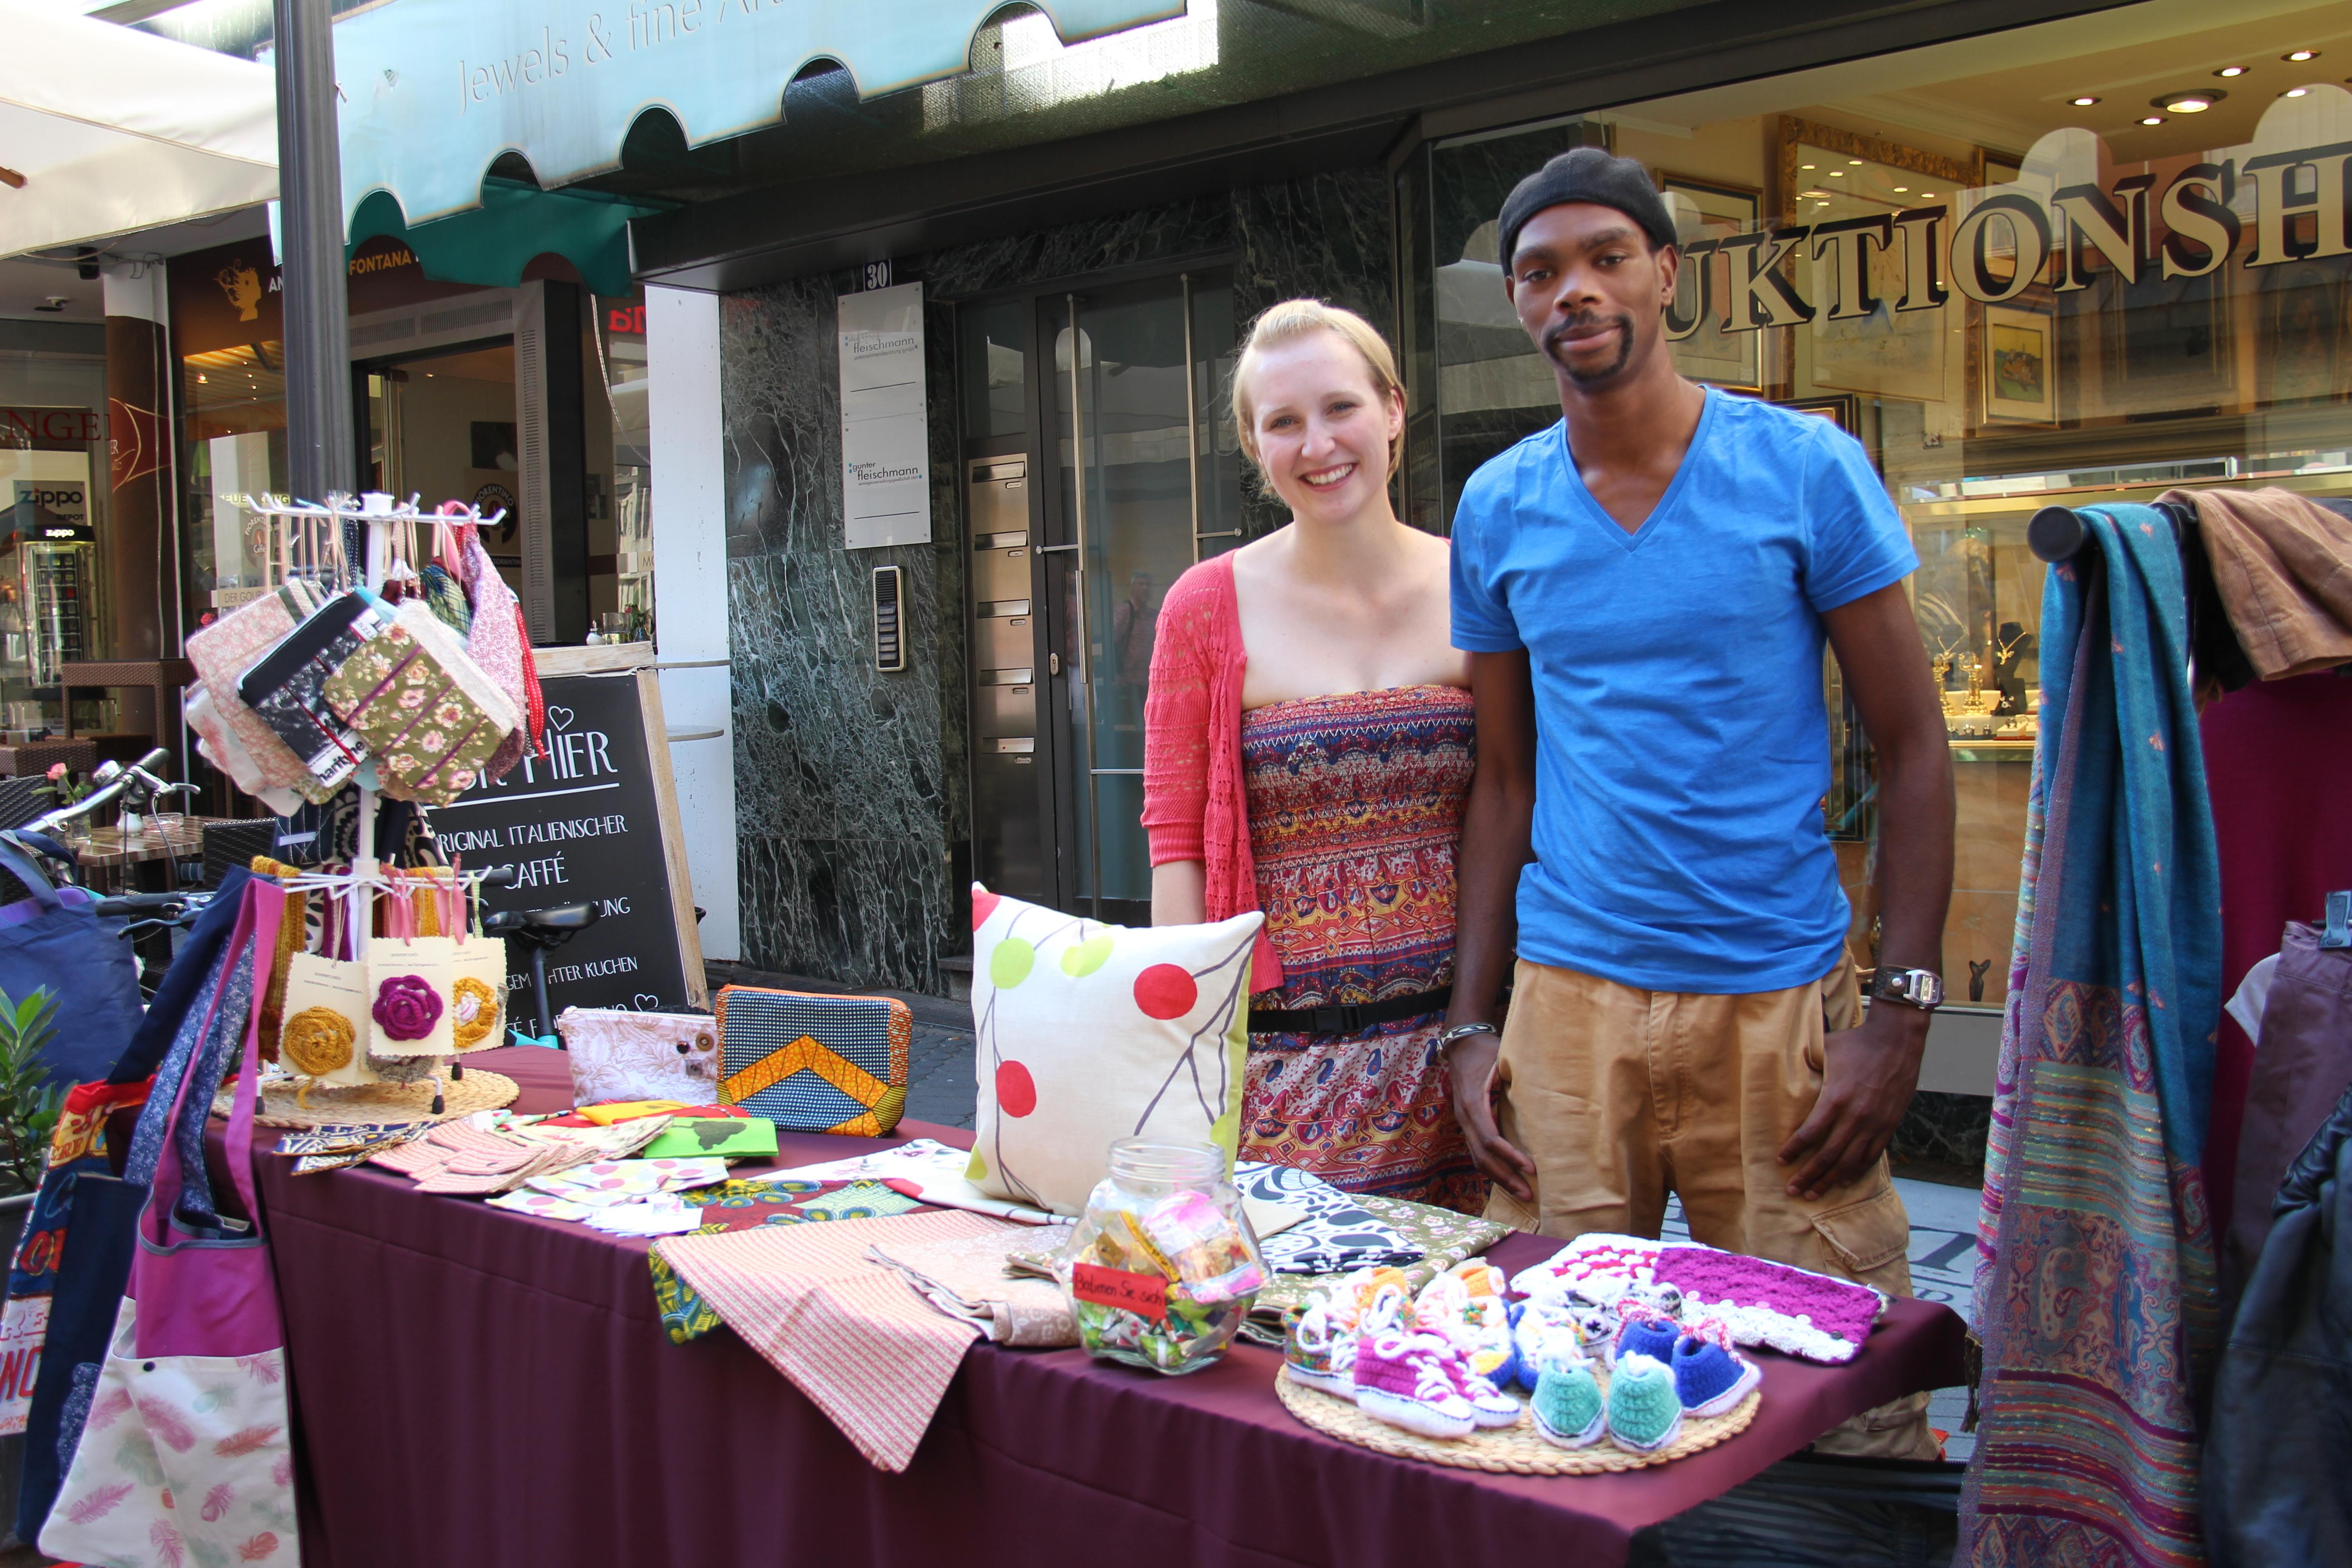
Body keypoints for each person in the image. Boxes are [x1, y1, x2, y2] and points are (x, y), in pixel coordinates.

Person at [1441, 148, 1956, 1457]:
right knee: (1541, 1375)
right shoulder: (1498, 507)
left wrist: (1901, 1017)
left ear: (1667, 274)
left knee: (1837, 1390)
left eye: (1607, 257)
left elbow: (1911, 748)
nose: (1577, 290)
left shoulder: (1801, 469)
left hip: (1771, 996)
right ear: (1517, 304)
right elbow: (1505, 781)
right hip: (1568, 1009)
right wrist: (1467, 1022)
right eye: (1541, 272)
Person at [1142, 299, 1483, 1211]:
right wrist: (1191, 1053)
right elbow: (1174, 839)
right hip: (1280, 1073)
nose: (1318, 443)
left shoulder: (1478, 584)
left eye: (1340, 408)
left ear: (1394, 411)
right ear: (1256, 448)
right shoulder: (1205, 608)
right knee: (1288, 1341)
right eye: (1283, 423)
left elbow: (1523, 803)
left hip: (1465, 1059)